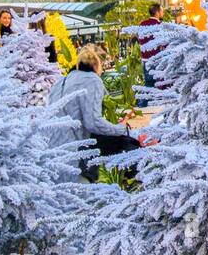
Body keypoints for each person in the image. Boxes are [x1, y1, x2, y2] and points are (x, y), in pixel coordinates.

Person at [48, 44, 146, 182]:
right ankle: (140, 182)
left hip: (55, 148)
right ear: (97, 65)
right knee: (130, 145)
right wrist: (120, 128)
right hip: (77, 150)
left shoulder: (61, 81)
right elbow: (93, 122)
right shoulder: (92, 80)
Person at [138, 2, 164, 86]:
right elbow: (164, 43)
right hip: (157, 60)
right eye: (162, 11)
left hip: (145, 59)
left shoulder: (142, 24)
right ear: (157, 12)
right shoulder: (160, 25)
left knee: (148, 85)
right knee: (159, 86)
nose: (163, 13)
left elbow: (140, 39)